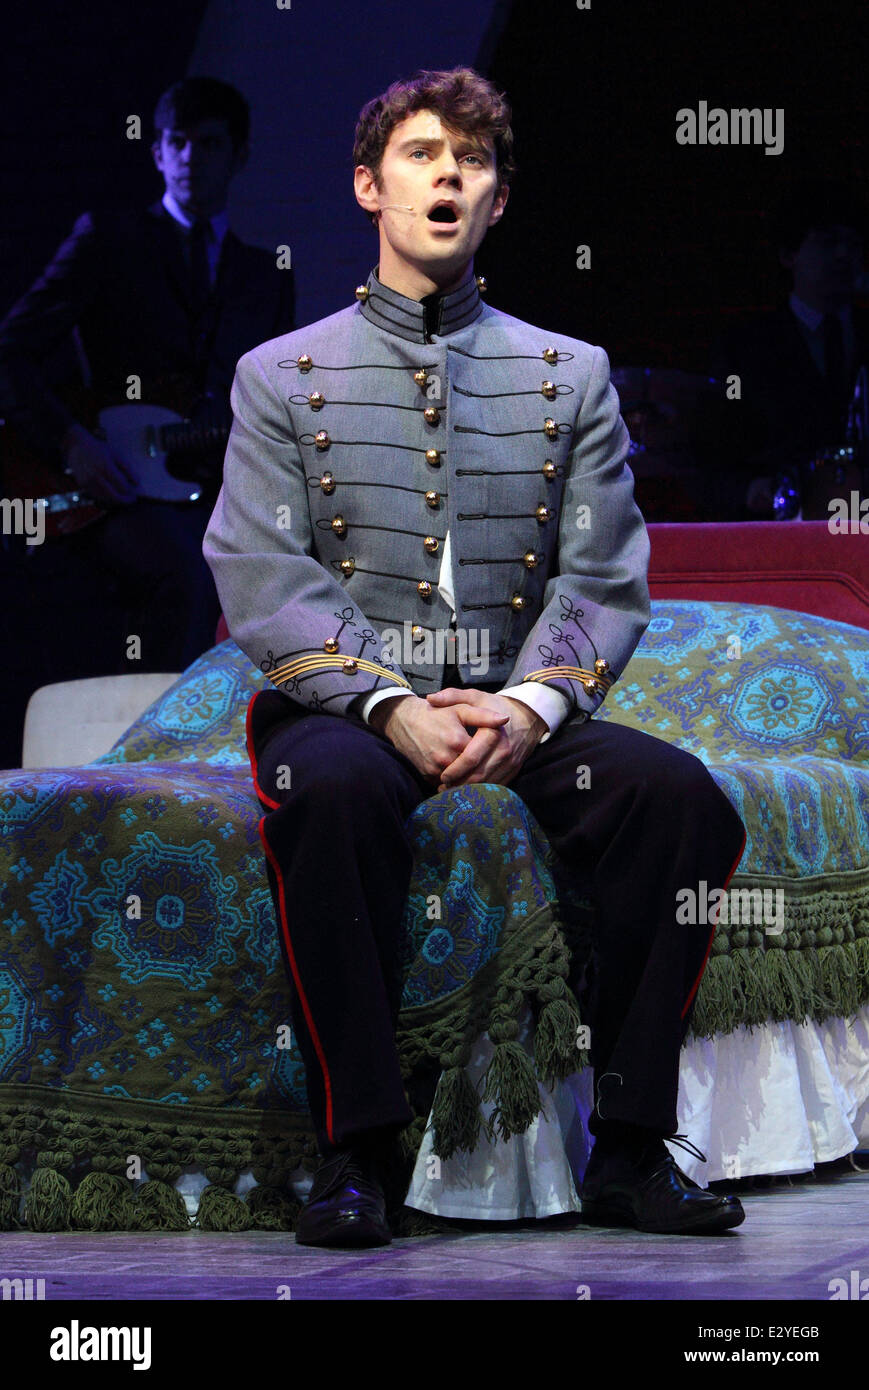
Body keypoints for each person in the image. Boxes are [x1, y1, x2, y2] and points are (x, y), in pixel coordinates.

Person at [203, 67, 748, 1247]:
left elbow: (600, 573)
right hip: (351, 712)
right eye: (419, 154)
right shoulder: (277, 373)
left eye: (474, 159)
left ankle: (629, 1147)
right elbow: (261, 570)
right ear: (367, 185)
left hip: (513, 702)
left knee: (678, 801)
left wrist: (536, 708)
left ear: (497, 200)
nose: (448, 173)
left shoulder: (571, 373)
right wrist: (389, 703)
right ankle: (355, 1156)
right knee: (329, 798)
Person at [0, 77, 295, 766]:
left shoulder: (266, 275)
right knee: (186, 576)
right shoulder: (108, 238)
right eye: (177, 142)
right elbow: (9, 351)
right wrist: (71, 443)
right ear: (158, 153)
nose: (192, 157)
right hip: (118, 486)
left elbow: (277, 402)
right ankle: (154, 770)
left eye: (210, 143)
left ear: (239, 155)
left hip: (222, 486)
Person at [708, 178, 868, 518]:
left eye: (853, 244)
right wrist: (750, 490)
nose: (843, 255)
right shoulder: (744, 348)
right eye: (827, 242)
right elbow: (710, 455)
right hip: (781, 534)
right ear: (788, 255)